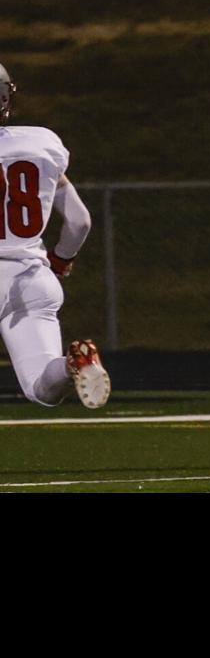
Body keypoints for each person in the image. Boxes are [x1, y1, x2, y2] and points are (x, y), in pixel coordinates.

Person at [0, 62, 110, 410]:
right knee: (41, 388)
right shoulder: (40, 143)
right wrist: (60, 262)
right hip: (31, 278)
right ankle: (72, 364)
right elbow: (79, 222)